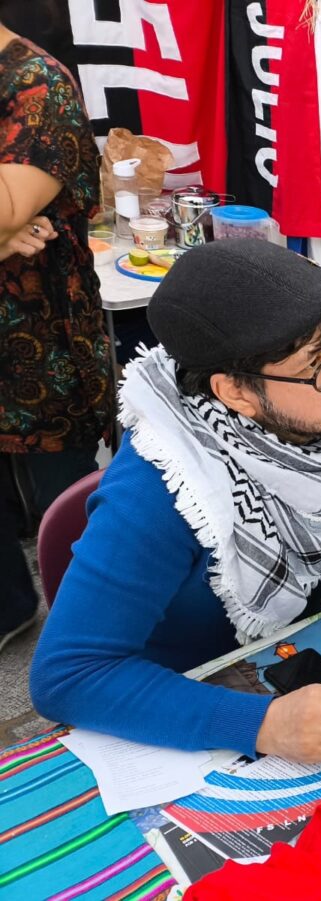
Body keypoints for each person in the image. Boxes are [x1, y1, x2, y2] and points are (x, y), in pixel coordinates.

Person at [30, 240, 321, 763]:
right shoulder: (161, 491)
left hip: (299, 653)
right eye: (319, 366)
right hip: (183, 701)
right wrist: (261, 724)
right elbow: (67, 675)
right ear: (236, 393)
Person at [0, 18, 111, 651]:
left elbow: (12, 207)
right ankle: (11, 611)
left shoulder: (39, 87)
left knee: (65, 511)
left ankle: (91, 644)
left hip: (44, 351)